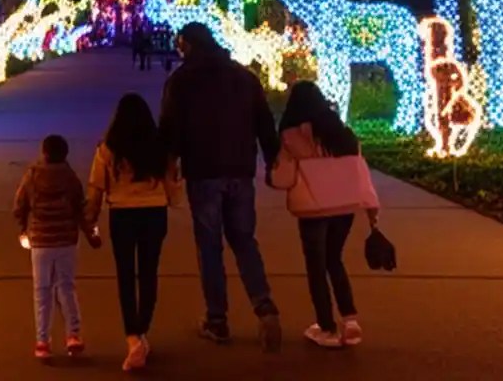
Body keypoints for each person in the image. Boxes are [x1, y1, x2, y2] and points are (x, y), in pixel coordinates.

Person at [158, 22, 282, 351]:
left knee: (210, 246)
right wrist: (271, 160)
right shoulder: (243, 77)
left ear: (189, 44)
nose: (178, 48)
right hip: (240, 170)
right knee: (244, 241)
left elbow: (169, 128)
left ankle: (218, 320)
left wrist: (169, 166)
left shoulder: (182, 81)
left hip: (204, 173)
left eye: (180, 43)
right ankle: (264, 306)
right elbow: (264, 122)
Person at [268, 80, 380, 348]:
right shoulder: (344, 135)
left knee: (316, 267)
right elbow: (359, 171)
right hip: (344, 207)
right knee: (334, 260)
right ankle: (350, 320)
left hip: (313, 209)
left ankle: (327, 327)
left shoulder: (291, 135)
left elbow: (281, 178)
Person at [86, 93, 182, 371]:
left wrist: (89, 222)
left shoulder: (107, 150)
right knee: (149, 273)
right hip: (154, 213)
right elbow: (172, 187)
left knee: (126, 277)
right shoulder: (158, 148)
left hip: (122, 215)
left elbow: (96, 189)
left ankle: (132, 337)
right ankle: (142, 330)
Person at [13, 134, 101, 359]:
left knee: (42, 291)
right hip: (66, 240)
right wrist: (91, 234)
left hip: (41, 241)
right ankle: (73, 335)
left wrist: (24, 228)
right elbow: (81, 209)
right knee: (66, 287)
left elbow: (19, 204)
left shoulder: (32, 176)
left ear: (44, 152)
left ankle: (42, 341)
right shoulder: (70, 177)